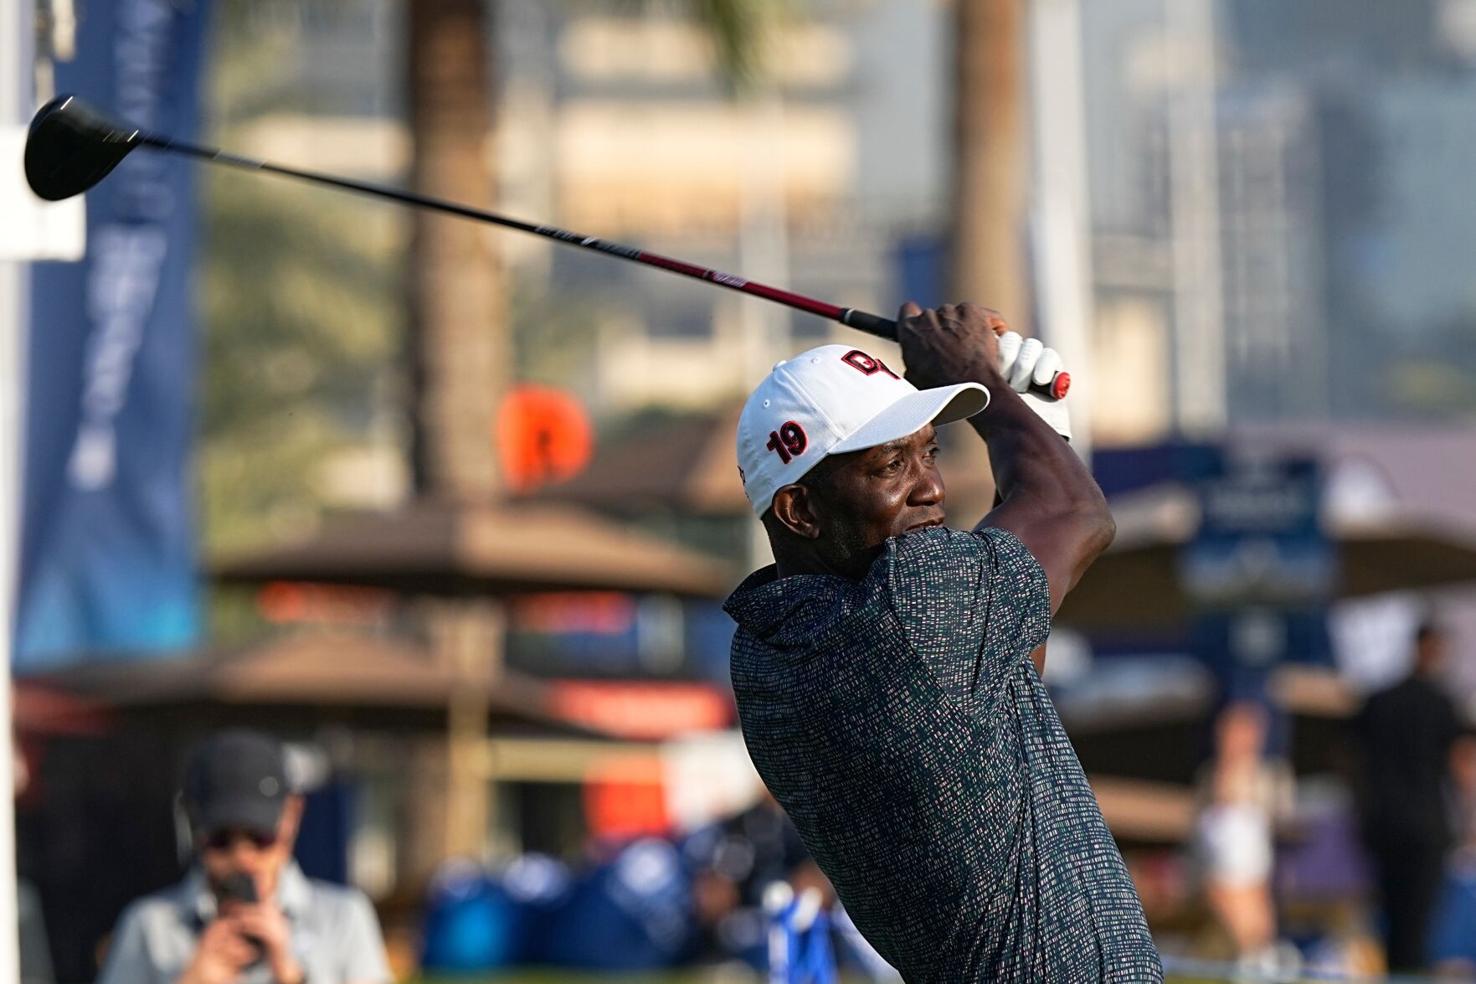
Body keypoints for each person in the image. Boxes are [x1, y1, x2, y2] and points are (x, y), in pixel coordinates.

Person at [724, 302, 1161, 981]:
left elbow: (1005, 672)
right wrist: (983, 383)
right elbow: (1074, 511)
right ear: (800, 510)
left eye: (929, 451)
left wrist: (1037, 435)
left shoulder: (767, 652)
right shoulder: (906, 612)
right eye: (889, 465)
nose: (931, 486)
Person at [98, 729, 391, 984]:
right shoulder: (150, 925)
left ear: (292, 815)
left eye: (260, 838)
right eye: (220, 840)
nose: (243, 857)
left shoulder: (343, 919)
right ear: (193, 827)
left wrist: (291, 976)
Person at [1353, 621, 1466, 973]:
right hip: (1426, 825)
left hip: (1384, 823)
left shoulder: (1379, 700)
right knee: (1419, 926)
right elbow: (1462, 764)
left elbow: (1350, 757)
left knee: (1393, 923)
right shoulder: (1442, 704)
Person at [1193, 701, 1295, 971]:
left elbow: (1279, 816)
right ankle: (1251, 960)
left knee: (1253, 914)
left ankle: (1259, 961)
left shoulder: (1266, 774)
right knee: (1233, 909)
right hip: (1222, 860)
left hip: (1248, 856)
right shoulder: (1211, 776)